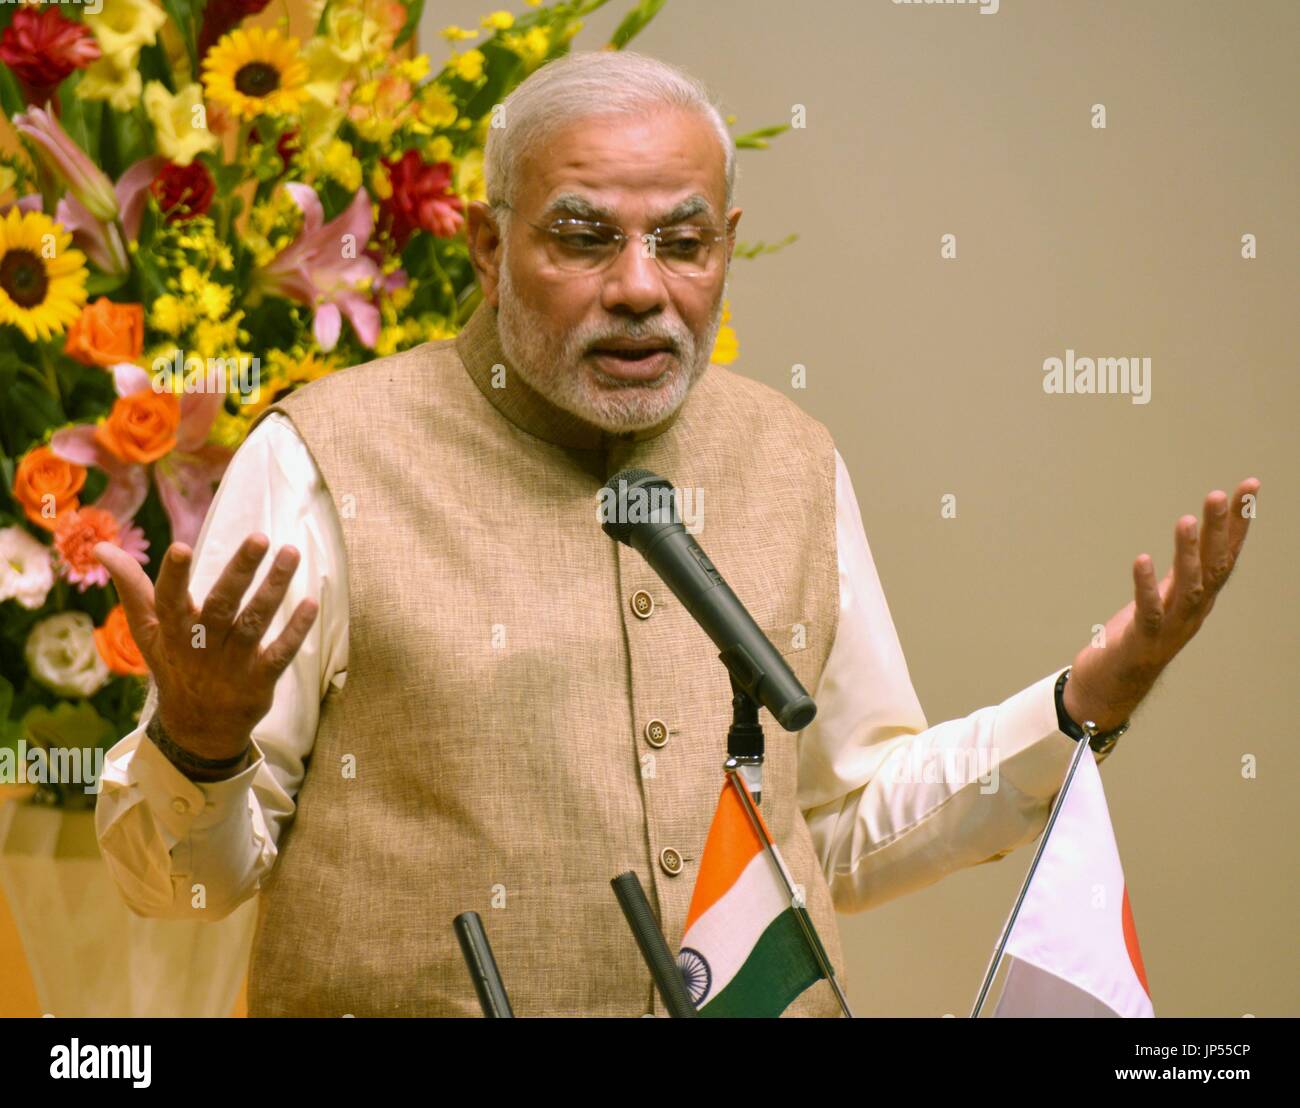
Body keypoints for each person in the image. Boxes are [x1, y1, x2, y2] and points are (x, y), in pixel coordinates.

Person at [92, 50, 1257, 1017]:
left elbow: (844, 823)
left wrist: (1081, 704)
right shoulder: (320, 462)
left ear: (727, 246)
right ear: (490, 252)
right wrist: (197, 748)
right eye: (585, 239)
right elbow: (182, 889)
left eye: (682, 243)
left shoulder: (788, 455)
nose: (641, 288)